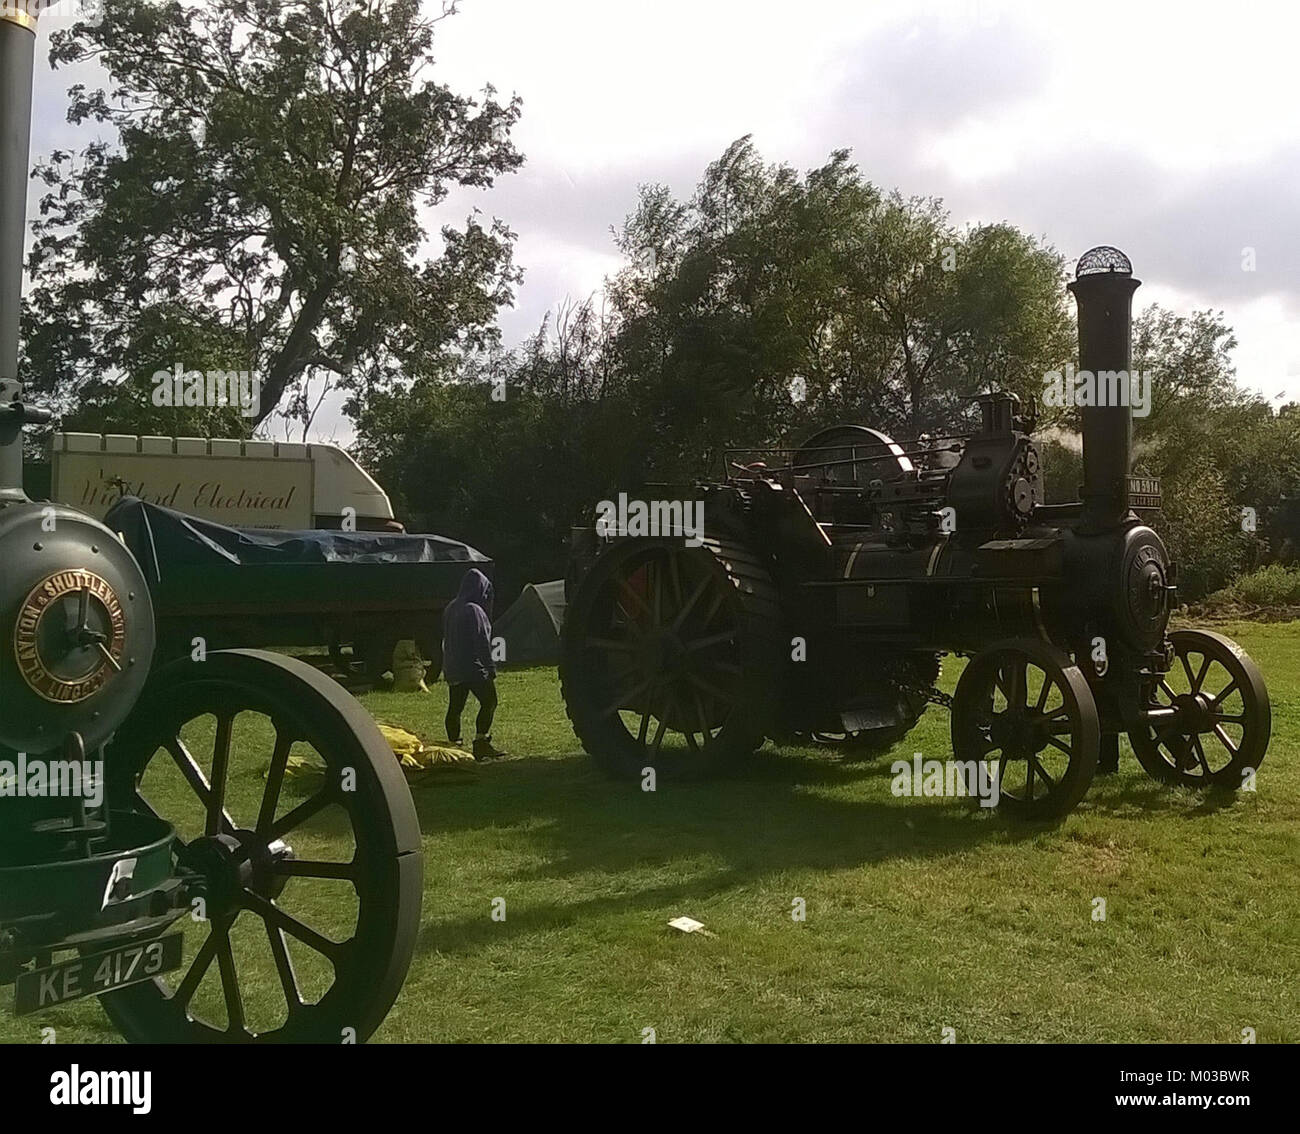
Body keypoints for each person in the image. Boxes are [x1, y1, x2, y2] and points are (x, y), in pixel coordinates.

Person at [443, 568, 507, 760]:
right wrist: (490, 667)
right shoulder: (474, 610)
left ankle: (454, 746)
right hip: (472, 667)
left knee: (455, 708)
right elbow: (481, 642)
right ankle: (481, 743)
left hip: (453, 667)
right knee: (489, 701)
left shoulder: (451, 607)